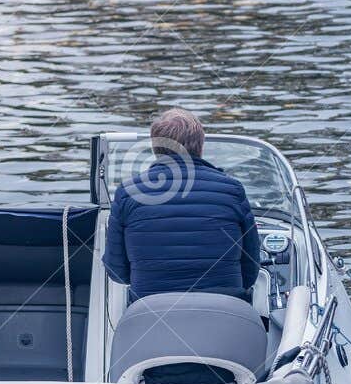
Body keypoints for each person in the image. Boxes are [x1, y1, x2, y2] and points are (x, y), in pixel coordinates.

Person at [101, 108, 261, 303]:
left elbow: (116, 270)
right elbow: (251, 267)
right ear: (200, 145)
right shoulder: (232, 189)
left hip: (150, 312)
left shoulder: (128, 192)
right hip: (222, 310)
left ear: (155, 147)